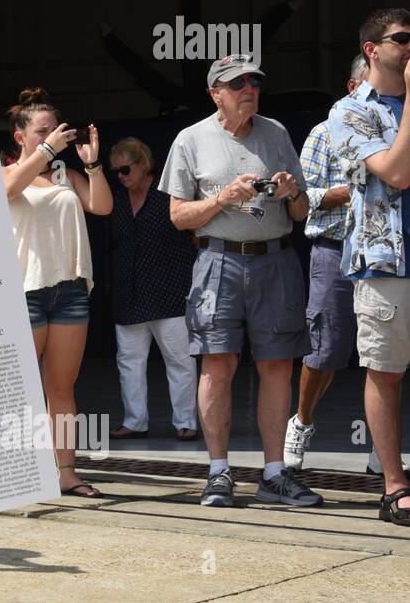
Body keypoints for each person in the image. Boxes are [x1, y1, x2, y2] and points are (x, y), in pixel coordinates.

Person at [160, 54, 321, 508]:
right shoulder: (190, 139)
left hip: (276, 261)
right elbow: (176, 216)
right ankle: (218, 472)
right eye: (237, 84)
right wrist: (225, 196)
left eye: (253, 82)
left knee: (276, 365)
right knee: (217, 364)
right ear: (215, 94)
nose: (248, 89)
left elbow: (302, 212)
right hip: (219, 262)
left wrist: (293, 193)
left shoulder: (277, 133)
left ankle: (274, 473)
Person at [3, 88, 112, 497]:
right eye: (42, 131)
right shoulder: (5, 170)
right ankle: (17, 471)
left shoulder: (67, 175)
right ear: (21, 137)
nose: (54, 136)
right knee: (20, 389)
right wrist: (46, 151)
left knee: (62, 389)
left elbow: (102, 207)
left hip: (69, 288)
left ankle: (65, 472)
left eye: (56, 129)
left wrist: (94, 164)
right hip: (25, 290)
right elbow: (9, 188)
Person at [326, 9, 410, 526]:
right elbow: (396, 172)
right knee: (386, 373)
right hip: (387, 262)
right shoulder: (352, 111)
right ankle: (395, 485)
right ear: (374, 49)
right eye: (404, 38)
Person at [284, 53, 369, 470]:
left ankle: (380, 449)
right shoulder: (323, 133)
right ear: (353, 88)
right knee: (327, 350)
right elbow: (303, 196)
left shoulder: (396, 134)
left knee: (384, 356)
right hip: (334, 252)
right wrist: (347, 193)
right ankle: (301, 422)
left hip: (383, 257)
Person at [108, 137, 199, 441]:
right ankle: (135, 421)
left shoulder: (168, 195)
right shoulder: (116, 200)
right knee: (129, 361)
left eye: (125, 169)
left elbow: (195, 236)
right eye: (116, 172)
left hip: (169, 290)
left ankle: (186, 421)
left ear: (143, 164)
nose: (120, 177)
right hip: (128, 291)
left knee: (179, 359)